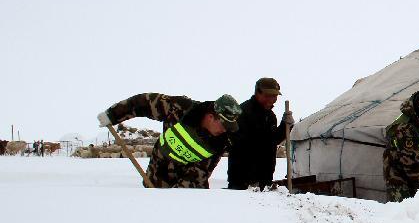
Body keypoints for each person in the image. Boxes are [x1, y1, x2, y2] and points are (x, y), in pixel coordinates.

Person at [97, 93, 241, 188]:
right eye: (224, 125)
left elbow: (200, 172)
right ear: (211, 116)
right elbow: (143, 103)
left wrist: (178, 198)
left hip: (190, 181)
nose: (225, 130)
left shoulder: (222, 141)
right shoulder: (178, 109)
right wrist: (113, 114)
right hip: (158, 170)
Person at [227, 77, 294, 190]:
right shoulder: (243, 112)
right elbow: (245, 144)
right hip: (242, 179)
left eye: (275, 96)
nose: (272, 99)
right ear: (257, 92)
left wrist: (285, 126)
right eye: (268, 95)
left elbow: (272, 141)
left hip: (264, 178)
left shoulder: (271, 116)